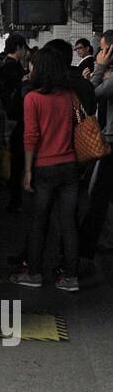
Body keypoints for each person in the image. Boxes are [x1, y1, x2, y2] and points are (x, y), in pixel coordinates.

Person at [12, 45, 80, 292]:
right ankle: (70, 278)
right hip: (70, 166)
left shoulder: (32, 98)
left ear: (39, 69)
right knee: (68, 224)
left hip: (44, 168)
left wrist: (28, 171)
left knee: (38, 223)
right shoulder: (69, 96)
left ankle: (34, 273)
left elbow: (31, 136)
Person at [78, 39, 113, 263]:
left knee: (98, 193)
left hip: (111, 142)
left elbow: (92, 96)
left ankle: (94, 244)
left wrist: (98, 70)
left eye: (102, 48)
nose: (99, 52)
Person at [0, 34, 29, 211]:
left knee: (8, 158)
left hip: (6, 119)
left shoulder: (1, 66)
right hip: (15, 121)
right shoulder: (14, 69)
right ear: (18, 47)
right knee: (15, 160)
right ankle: (15, 199)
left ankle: (10, 193)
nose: (26, 52)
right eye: (24, 48)